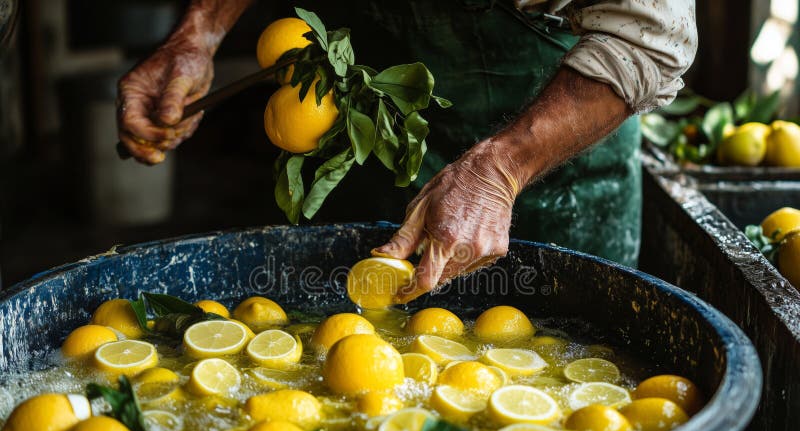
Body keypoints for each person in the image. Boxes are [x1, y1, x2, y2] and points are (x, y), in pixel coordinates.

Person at [117, 0, 697, 303]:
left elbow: (648, 36)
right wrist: (199, 32)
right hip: (370, 140)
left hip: (557, 157)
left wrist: (499, 170)